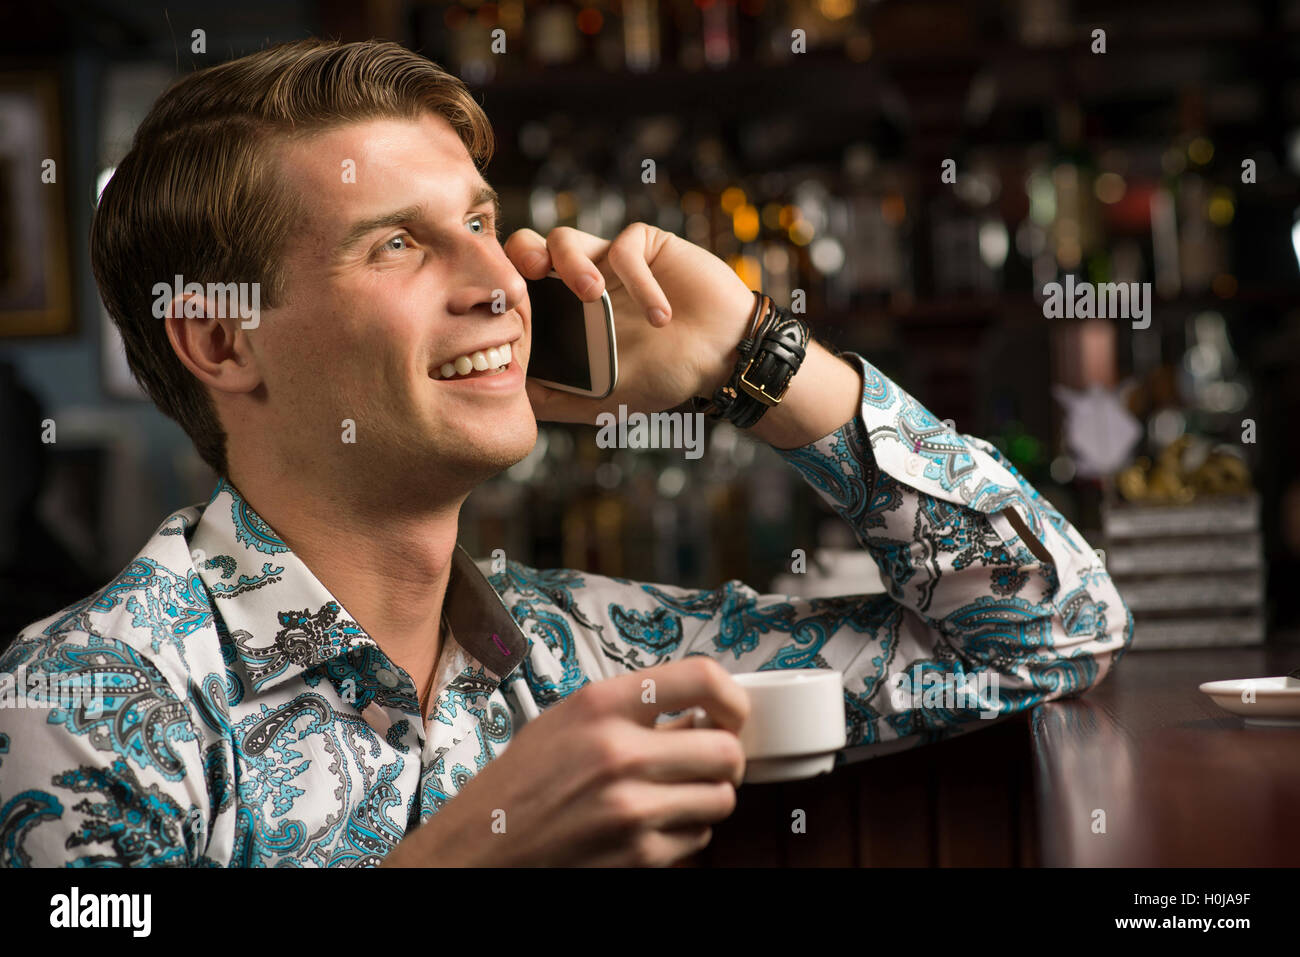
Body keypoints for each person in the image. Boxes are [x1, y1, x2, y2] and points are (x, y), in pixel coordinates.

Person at [0, 38, 1132, 868]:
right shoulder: (78, 705)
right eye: (396, 244)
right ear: (220, 337)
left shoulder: (589, 653)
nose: (497, 282)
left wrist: (752, 357)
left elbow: (1044, 634)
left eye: (483, 224)